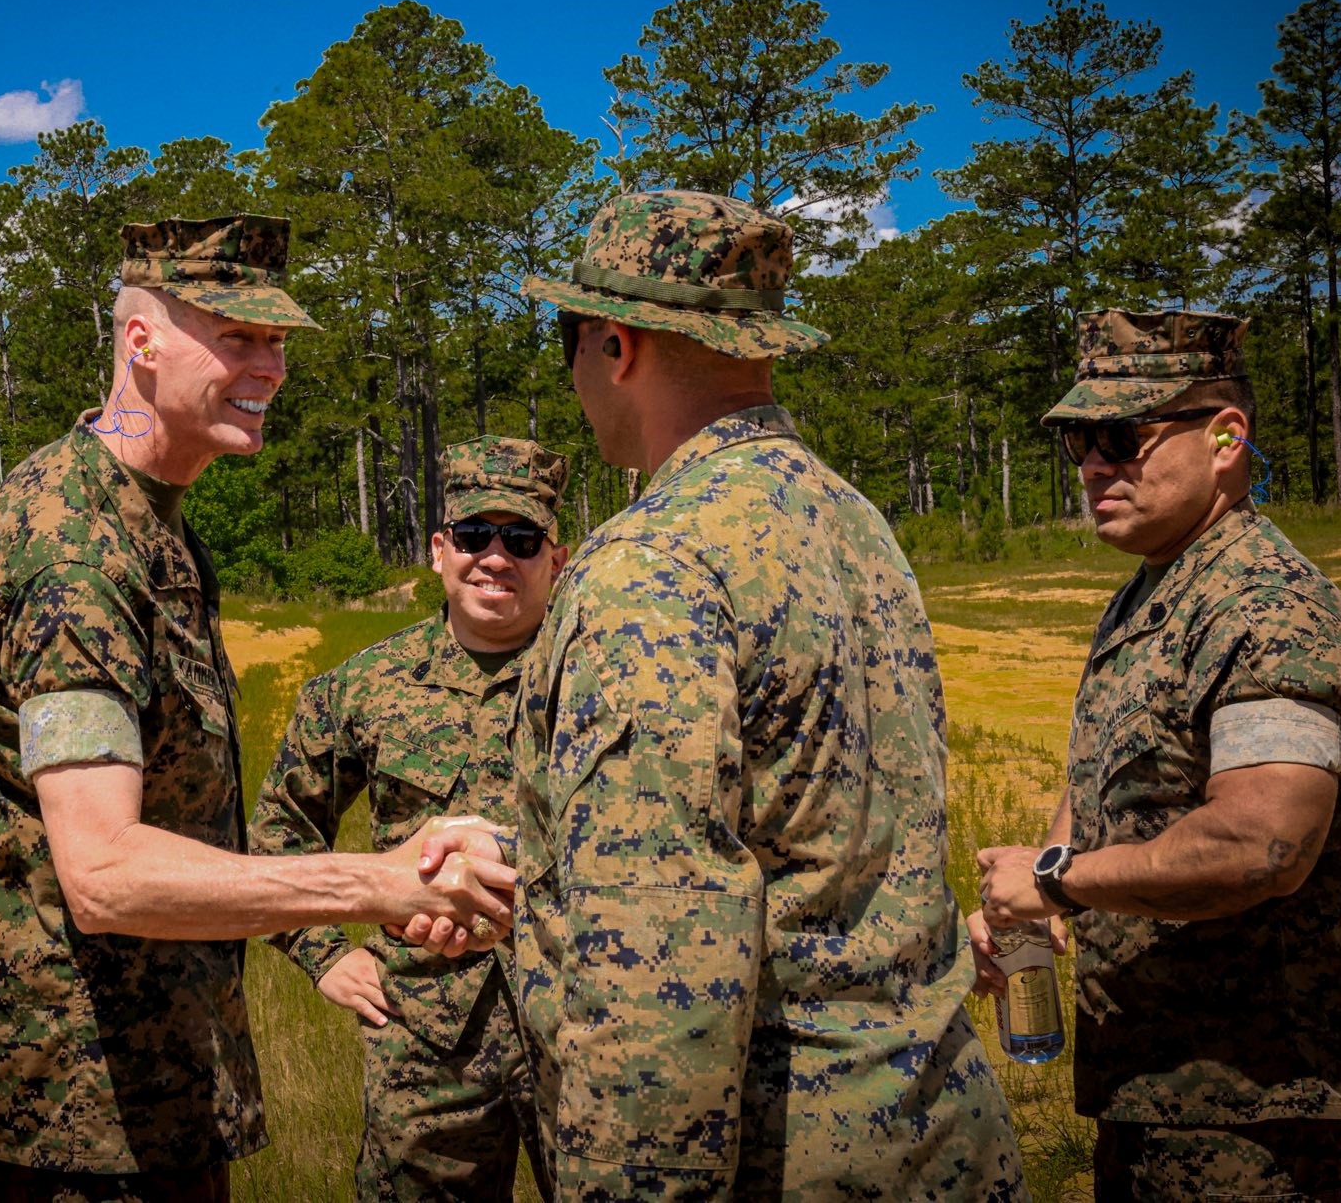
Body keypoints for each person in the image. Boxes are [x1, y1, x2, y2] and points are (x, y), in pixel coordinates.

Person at [420, 189, 1025, 1200]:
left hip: (782, 1153)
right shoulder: (853, 524)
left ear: (614, 344)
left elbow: (658, 967)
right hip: (934, 1128)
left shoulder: (654, 560)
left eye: (566, 343)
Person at [0, 214, 517, 1203]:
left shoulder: (153, 523)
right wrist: (373, 886)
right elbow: (104, 875)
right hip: (83, 1115)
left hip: (154, 1086)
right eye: (239, 336)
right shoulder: (75, 544)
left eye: (279, 341)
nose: (270, 366)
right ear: (141, 342)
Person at [971, 308, 1341, 1202]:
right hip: (1155, 1095)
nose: (1093, 466)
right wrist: (1045, 900)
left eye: (1122, 436)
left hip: (1257, 1113)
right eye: (1081, 441)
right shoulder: (1153, 595)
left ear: (1226, 438)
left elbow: (1261, 844)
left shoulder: (1266, 610)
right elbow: (1115, 784)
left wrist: (1059, 879)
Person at [250, 436, 570, 1201]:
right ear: (439, 550)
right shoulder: (364, 689)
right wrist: (324, 954)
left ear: (555, 562)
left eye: (521, 540)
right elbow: (276, 830)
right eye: (473, 537)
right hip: (426, 1044)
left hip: (581, 1027)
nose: (496, 557)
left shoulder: (603, 682)